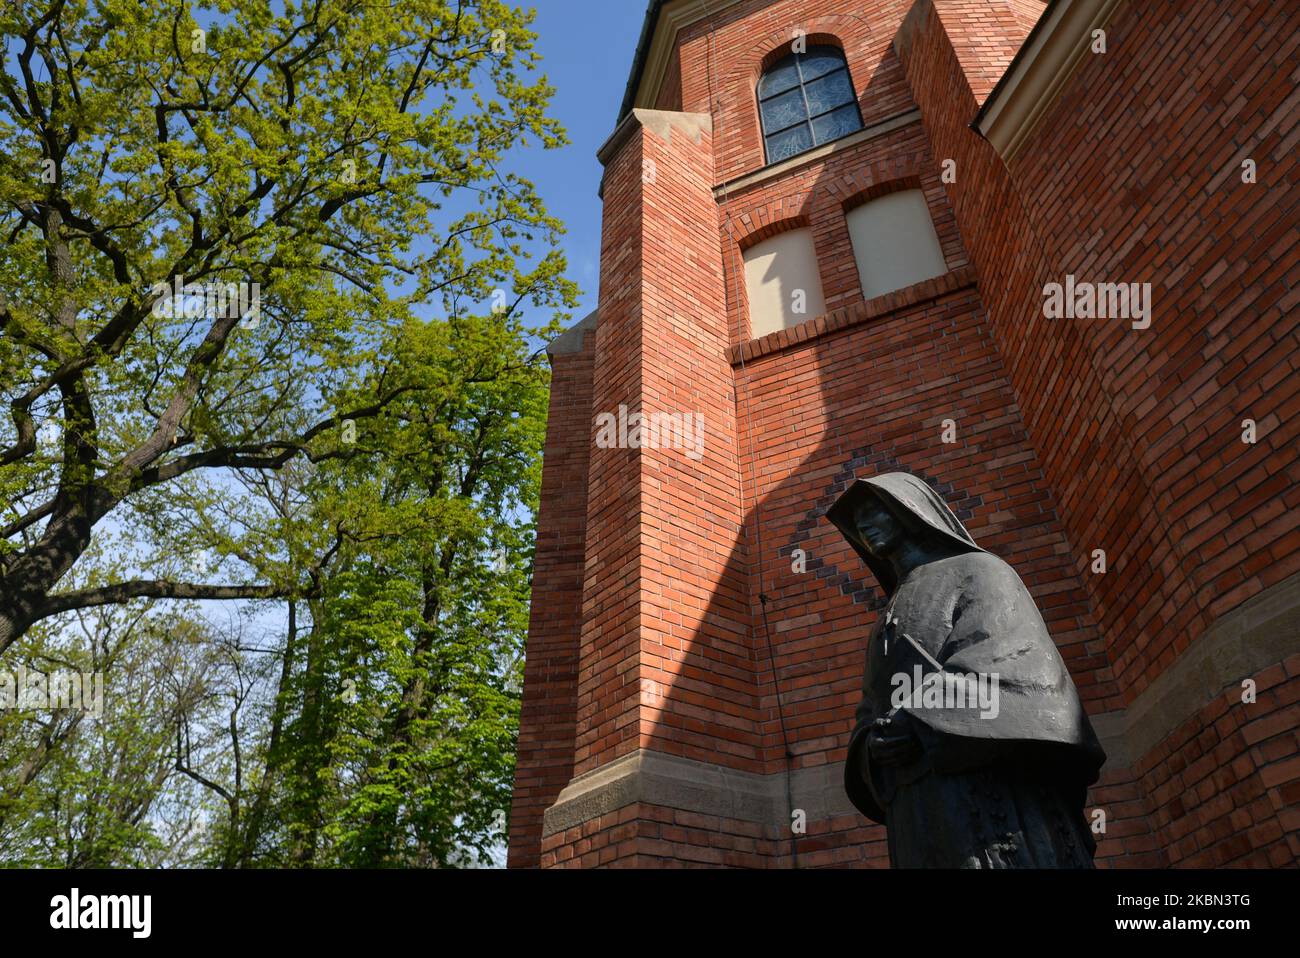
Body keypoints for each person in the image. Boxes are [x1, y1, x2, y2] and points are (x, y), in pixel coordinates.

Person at [825, 473, 1106, 868]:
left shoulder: (979, 571)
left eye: (875, 511)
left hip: (994, 795)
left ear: (910, 512)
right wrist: (872, 745)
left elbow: (1009, 664)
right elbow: (871, 707)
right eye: (857, 520)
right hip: (919, 806)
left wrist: (917, 719)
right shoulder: (885, 618)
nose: (864, 524)